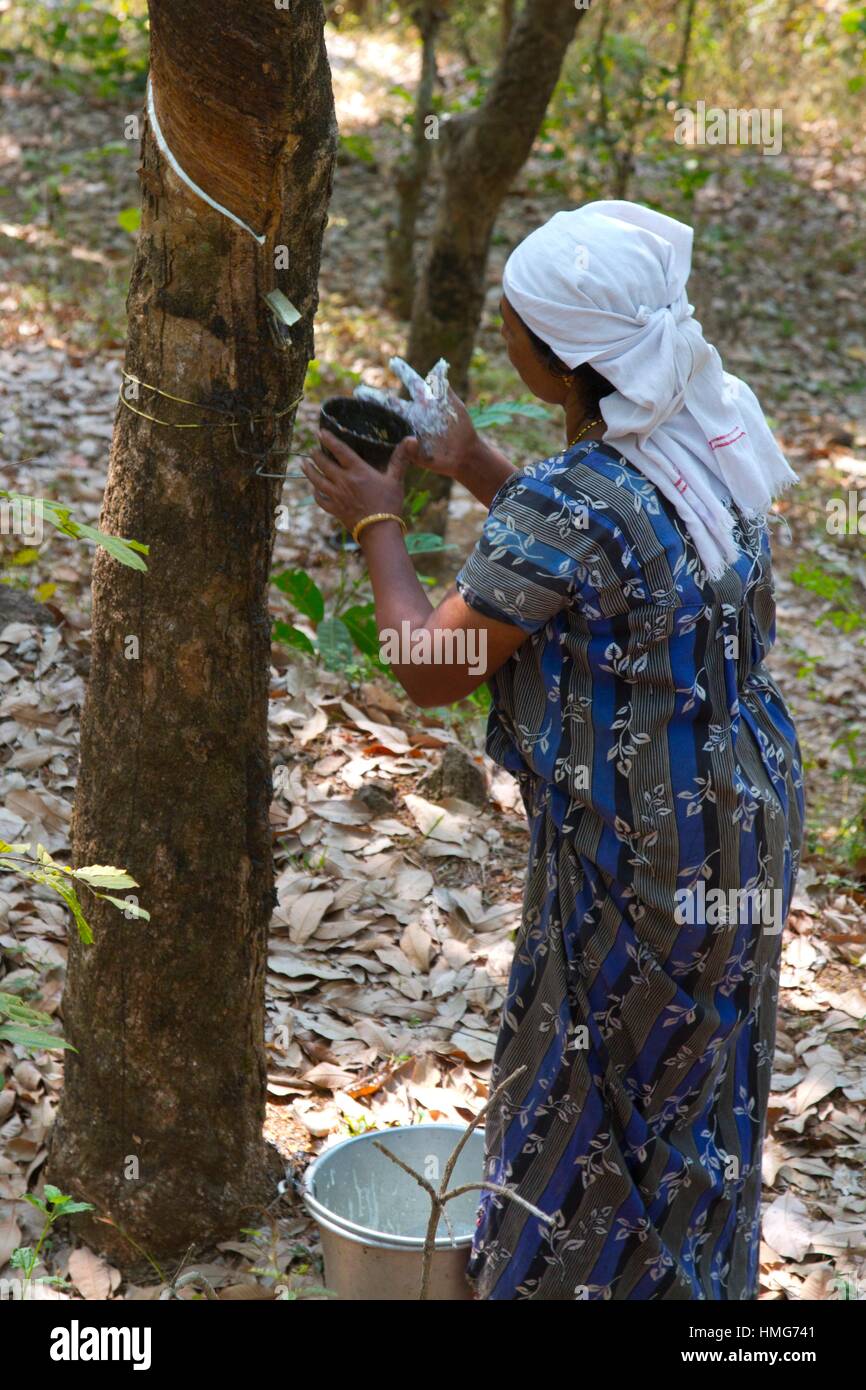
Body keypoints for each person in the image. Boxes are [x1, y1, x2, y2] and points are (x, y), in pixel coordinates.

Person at [304, 200, 805, 1301]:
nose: (502, 341)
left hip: (642, 857)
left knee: (594, 1093)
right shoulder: (705, 436)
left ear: (558, 361)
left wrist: (375, 518)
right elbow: (619, 568)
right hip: (738, 826)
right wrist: (473, 457)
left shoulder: (570, 499)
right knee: (693, 1091)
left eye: (514, 329)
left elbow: (428, 660)